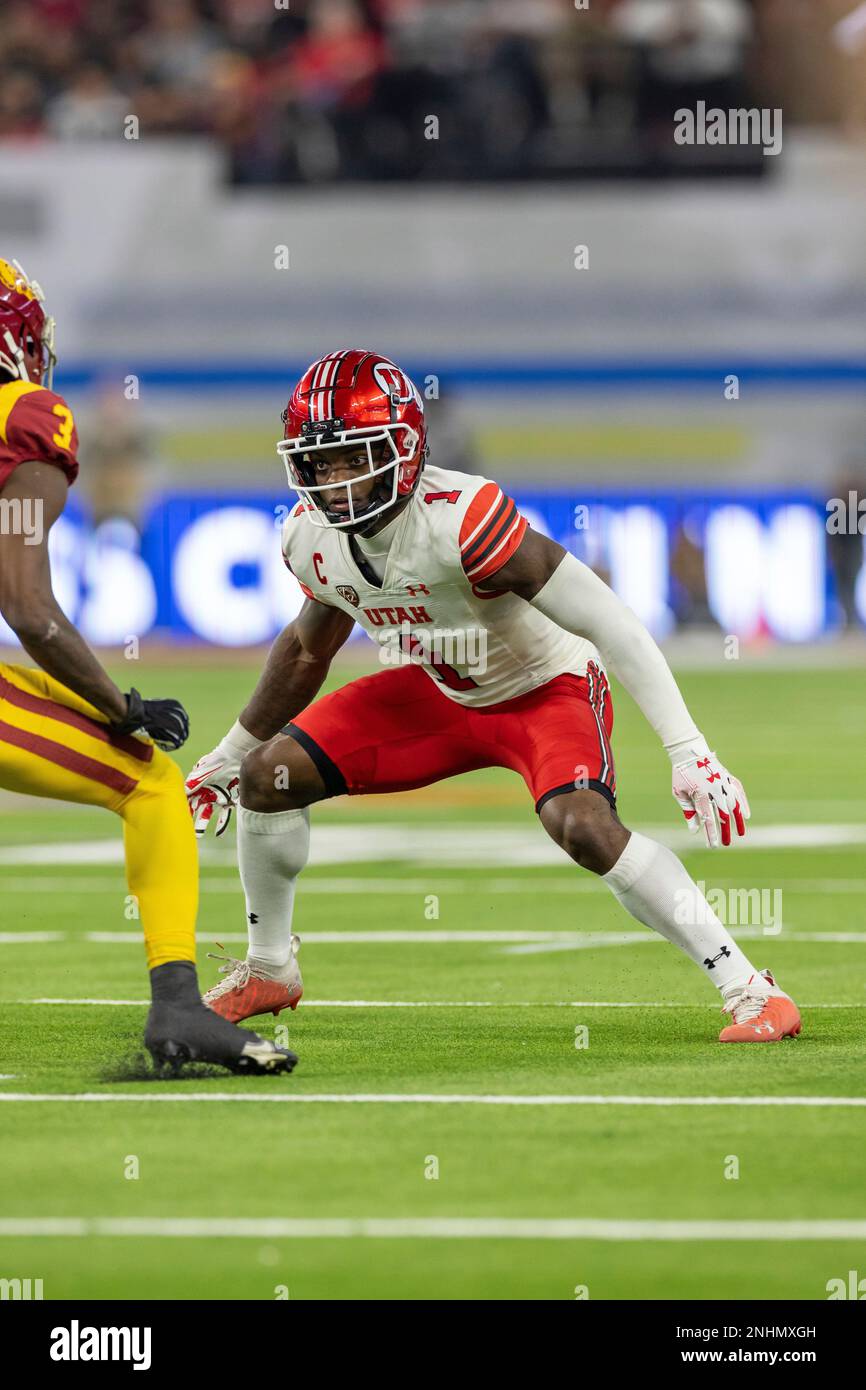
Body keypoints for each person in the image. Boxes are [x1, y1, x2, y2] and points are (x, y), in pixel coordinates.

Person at [187, 348, 801, 1045]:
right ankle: (270, 969)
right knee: (267, 775)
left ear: (403, 448)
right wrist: (229, 753)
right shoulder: (309, 539)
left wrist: (690, 750)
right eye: (321, 463)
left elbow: (608, 618)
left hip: (546, 689)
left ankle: (752, 990)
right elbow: (306, 649)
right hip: (443, 691)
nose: (336, 482)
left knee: (583, 826)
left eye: (355, 458)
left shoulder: (463, 518)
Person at [0, 257, 294, 1075]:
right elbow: (27, 608)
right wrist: (120, 705)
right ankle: (177, 1008)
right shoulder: (24, 414)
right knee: (151, 783)